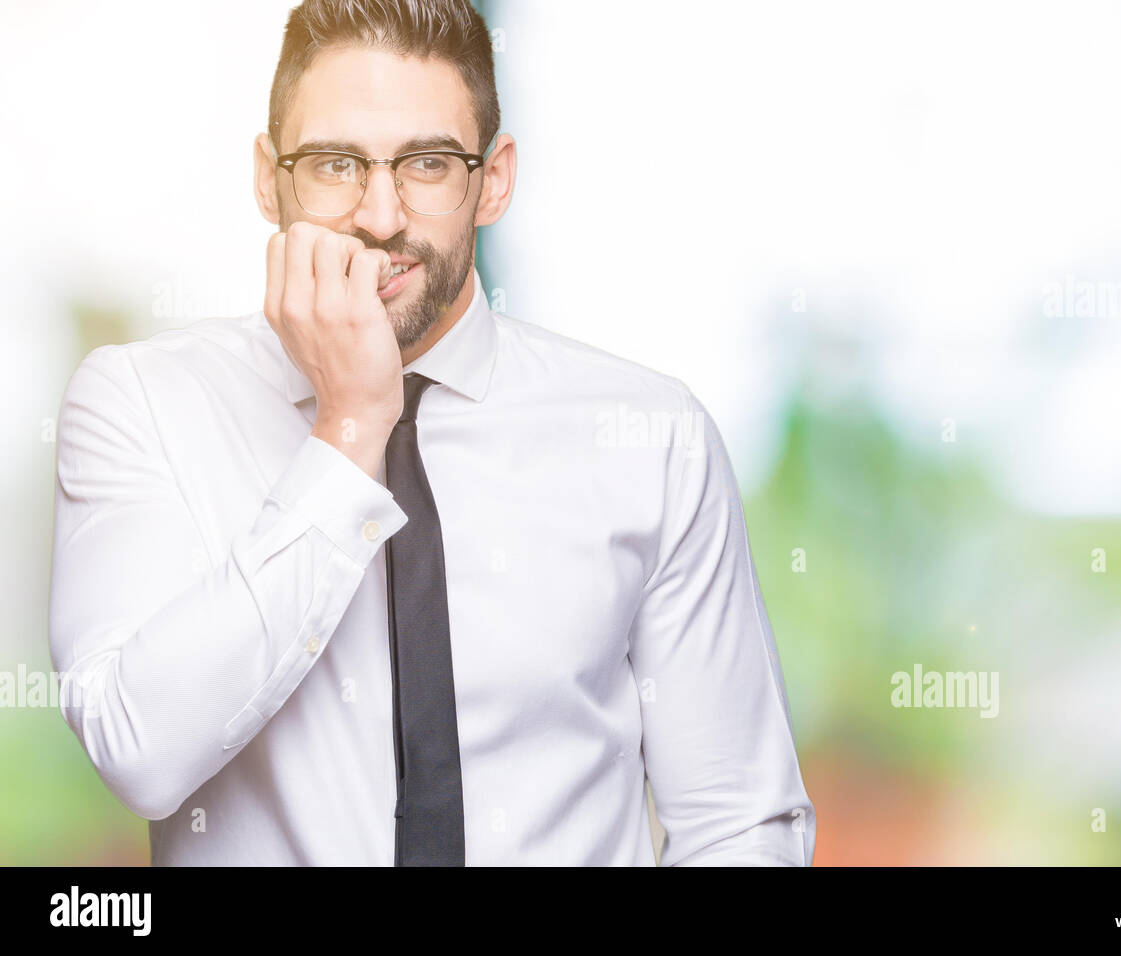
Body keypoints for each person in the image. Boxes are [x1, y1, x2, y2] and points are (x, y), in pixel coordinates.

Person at [48, 0, 815, 866]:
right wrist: (349, 428)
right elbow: (139, 752)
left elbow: (738, 822)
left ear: (493, 179)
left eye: (427, 163)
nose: (380, 215)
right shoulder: (144, 406)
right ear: (269, 178)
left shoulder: (651, 439)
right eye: (336, 163)